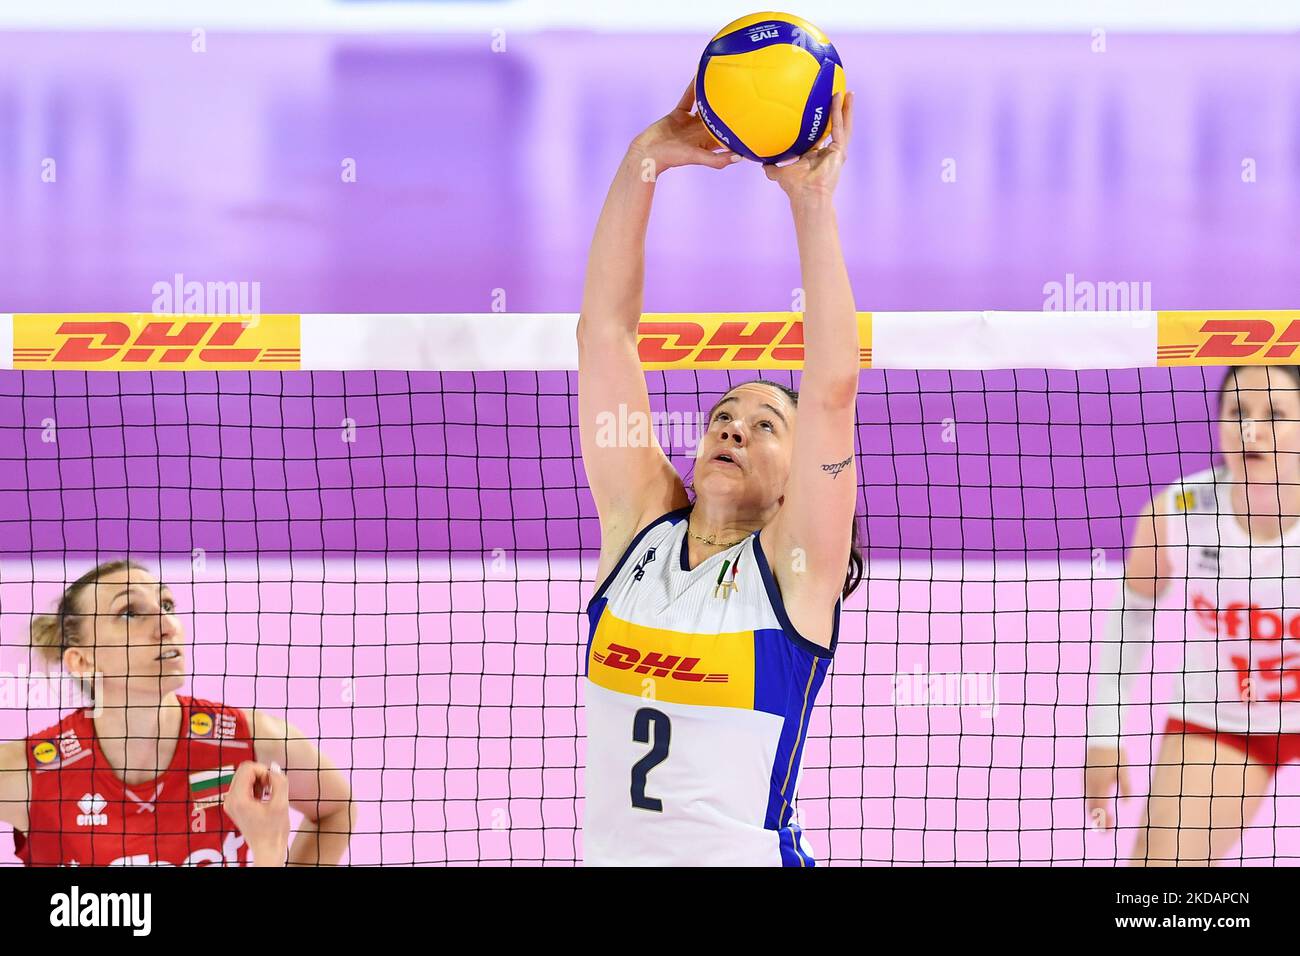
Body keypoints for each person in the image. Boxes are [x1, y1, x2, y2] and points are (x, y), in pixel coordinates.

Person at [577, 81, 863, 865]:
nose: (733, 426)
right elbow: (606, 334)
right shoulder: (638, 527)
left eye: (766, 425)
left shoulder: (796, 572)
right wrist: (646, 160)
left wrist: (809, 201)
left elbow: (833, 389)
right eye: (722, 417)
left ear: (796, 477)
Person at [0, 559, 355, 866]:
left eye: (167, 606)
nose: (167, 626)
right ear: (82, 660)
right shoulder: (26, 774)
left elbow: (336, 809)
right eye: (129, 613)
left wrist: (270, 851)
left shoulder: (253, 741)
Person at [1085, 364, 1300, 864]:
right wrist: (1104, 733)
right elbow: (1132, 619)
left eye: (1275, 415)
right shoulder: (1178, 511)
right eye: (1238, 412)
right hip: (1222, 718)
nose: (1251, 430)